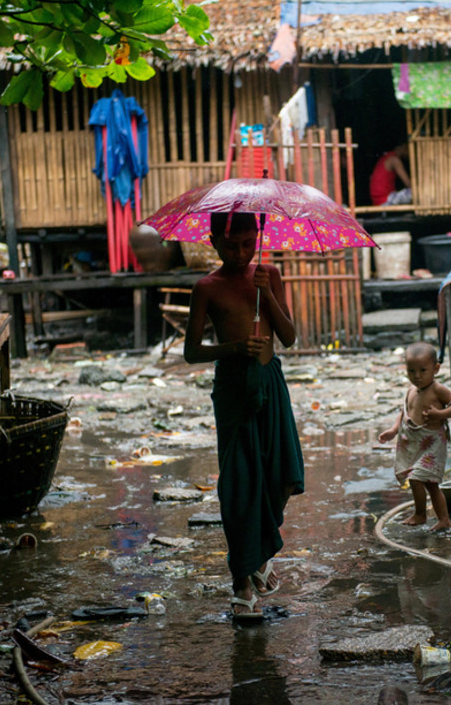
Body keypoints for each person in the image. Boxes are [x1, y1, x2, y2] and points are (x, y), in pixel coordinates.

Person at [184, 212, 304, 619]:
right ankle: (242, 584)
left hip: (270, 382)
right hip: (234, 389)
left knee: (284, 474)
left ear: (258, 238)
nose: (240, 254)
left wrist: (267, 295)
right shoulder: (206, 288)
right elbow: (191, 351)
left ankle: (261, 552)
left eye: (248, 244)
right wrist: (235, 349)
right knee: (238, 485)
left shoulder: (268, 274)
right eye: (231, 246)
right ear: (214, 242)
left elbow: (288, 337)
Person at [378, 342, 451, 531]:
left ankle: (441, 519)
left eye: (423, 370)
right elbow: (405, 412)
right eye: (411, 371)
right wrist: (393, 430)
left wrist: (439, 415)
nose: (417, 376)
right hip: (414, 442)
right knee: (416, 478)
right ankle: (421, 514)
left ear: (436, 369)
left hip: (431, 443)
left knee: (427, 482)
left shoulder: (438, 389)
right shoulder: (411, 390)